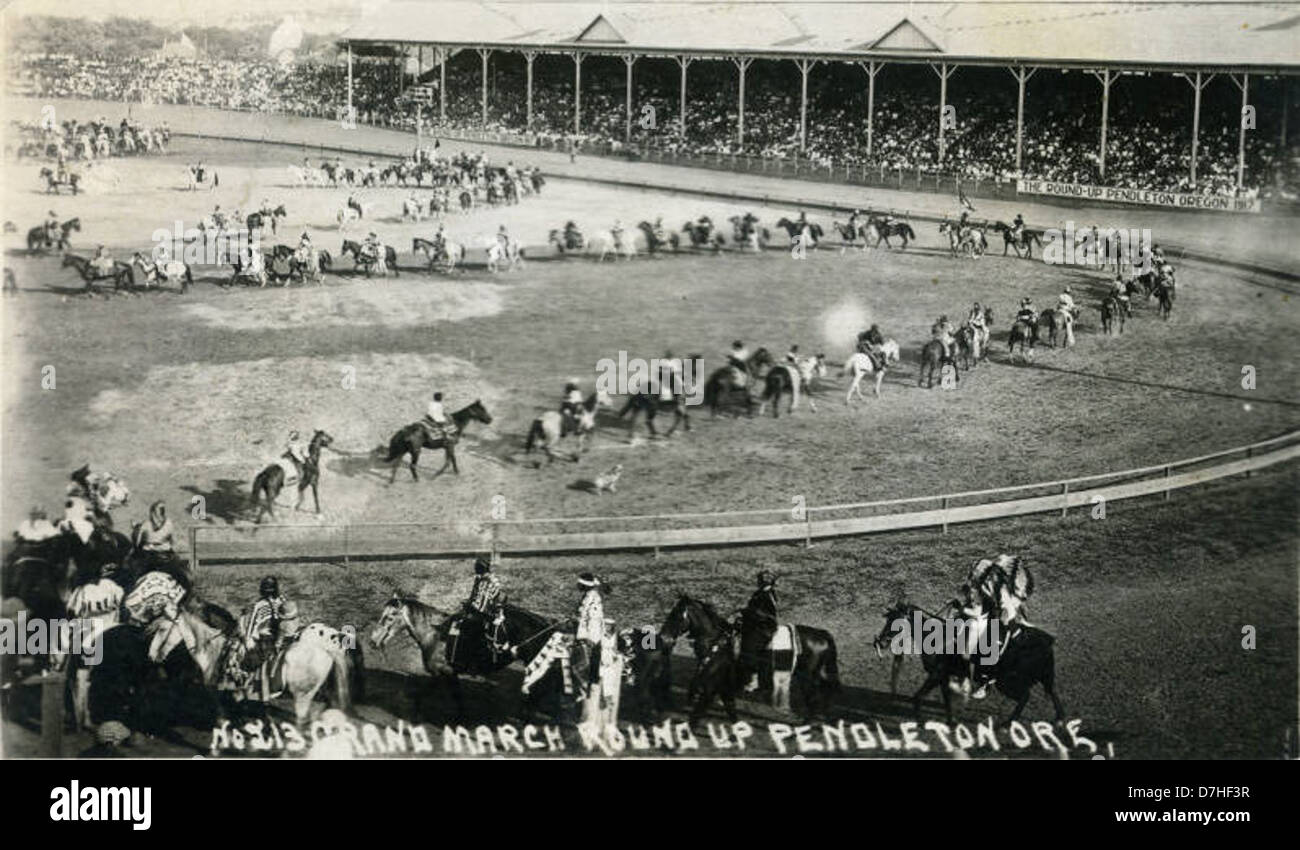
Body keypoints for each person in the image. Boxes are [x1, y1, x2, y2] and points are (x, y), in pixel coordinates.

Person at [739, 571, 779, 692]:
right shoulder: (758, 593)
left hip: (764, 628)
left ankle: (754, 679)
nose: (758, 582)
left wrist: (754, 613)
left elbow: (772, 615)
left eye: (760, 580)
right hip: (753, 624)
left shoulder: (769, 595)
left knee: (750, 647)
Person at [569, 573, 605, 697]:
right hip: (582, 632)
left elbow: (594, 619)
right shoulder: (587, 596)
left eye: (580, 584)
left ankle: (584, 690)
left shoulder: (594, 598)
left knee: (582, 662)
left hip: (590, 636)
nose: (577, 586)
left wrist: (589, 639)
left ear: (585, 585)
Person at [465, 556, 509, 657]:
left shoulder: (489, 581)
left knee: (469, 627)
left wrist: (469, 606)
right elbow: (475, 596)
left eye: (477, 567)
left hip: (488, 614)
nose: (475, 569)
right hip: (483, 610)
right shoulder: (481, 579)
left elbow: (482, 606)